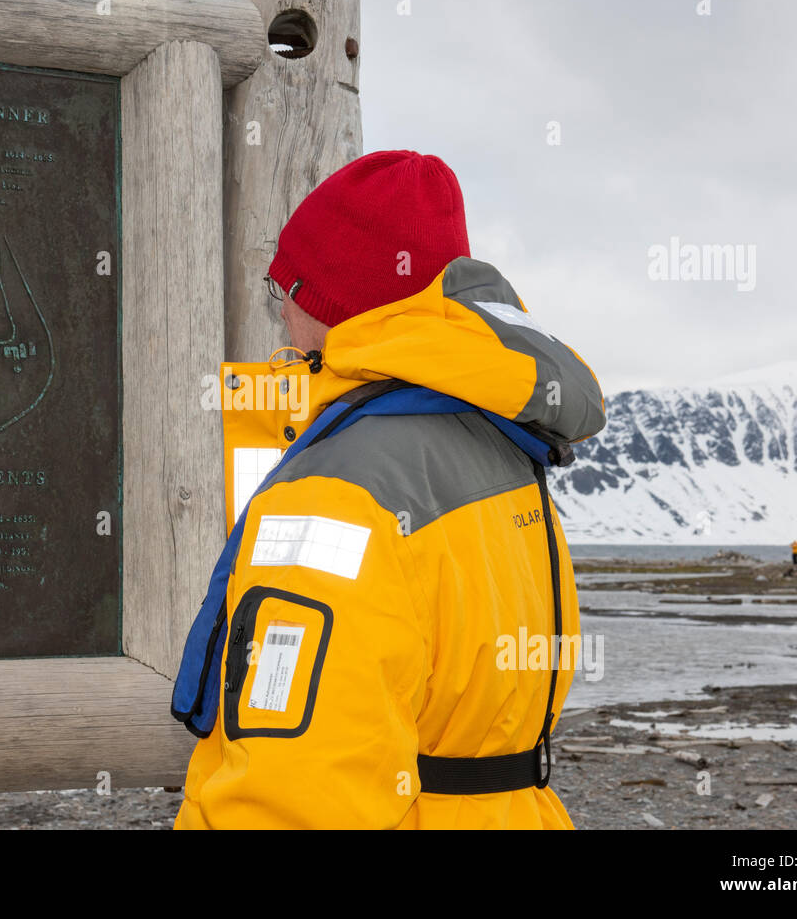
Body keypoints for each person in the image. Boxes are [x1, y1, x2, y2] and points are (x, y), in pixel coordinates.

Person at [171, 150, 606, 828]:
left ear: (332, 303)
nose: (281, 313)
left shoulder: (338, 488)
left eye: (284, 288)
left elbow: (301, 792)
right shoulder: (502, 441)